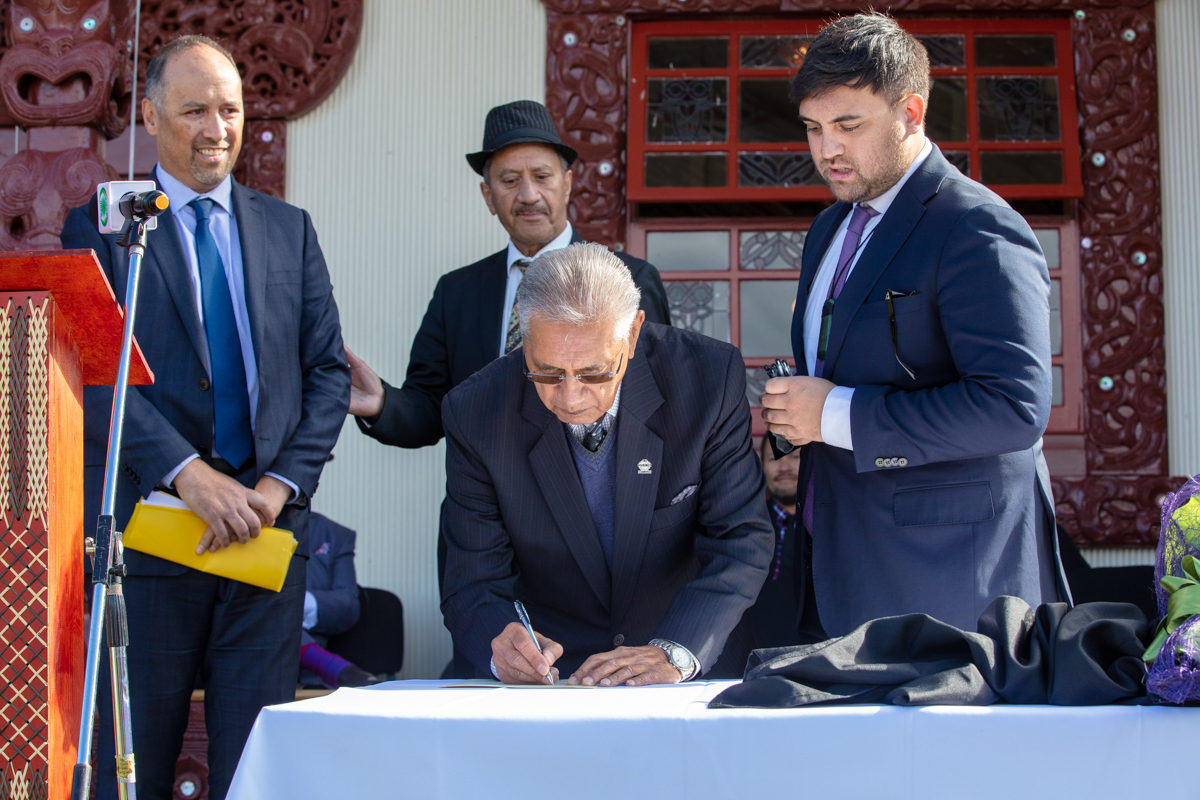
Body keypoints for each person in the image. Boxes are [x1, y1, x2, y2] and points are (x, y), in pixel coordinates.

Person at [61, 35, 349, 800]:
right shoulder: (102, 226)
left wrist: (277, 486)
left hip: (264, 537)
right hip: (151, 541)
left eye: (231, 109)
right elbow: (91, 373)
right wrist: (189, 475)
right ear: (151, 116)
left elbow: (327, 373)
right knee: (134, 769)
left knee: (256, 772)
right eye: (194, 111)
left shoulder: (289, 229)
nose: (216, 128)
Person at [759, 12, 1067, 640]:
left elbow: (1013, 407)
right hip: (834, 559)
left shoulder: (976, 225)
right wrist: (799, 409)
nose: (827, 150)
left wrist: (837, 414)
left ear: (913, 111)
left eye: (849, 125)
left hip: (950, 583)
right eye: (814, 129)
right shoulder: (827, 229)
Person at [346, 100, 671, 676]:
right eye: (509, 180)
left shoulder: (629, 281)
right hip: (489, 540)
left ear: (569, 183)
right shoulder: (458, 293)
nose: (528, 194)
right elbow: (430, 412)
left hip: (597, 541)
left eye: (542, 176)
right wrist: (380, 404)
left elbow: (654, 410)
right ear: (487, 196)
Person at [441, 242, 772, 686]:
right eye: (547, 373)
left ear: (633, 334)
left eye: (595, 373)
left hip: (687, 666)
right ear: (523, 334)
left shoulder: (706, 381)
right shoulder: (475, 412)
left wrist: (675, 652)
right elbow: (472, 578)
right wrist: (501, 647)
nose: (570, 396)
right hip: (558, 680)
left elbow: (741, 540)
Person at [298, 512, 377, 688]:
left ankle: (323, 663)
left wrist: (299, 604)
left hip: (311, 681)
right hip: (249, 664)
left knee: (274, 610)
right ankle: (332, 667)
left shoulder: (333, 534)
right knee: (257, 607)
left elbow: (347, 606)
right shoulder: (236, 523)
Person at [746, 434, 811, 648]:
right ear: (762, 465)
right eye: (774, 459)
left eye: (794, 457)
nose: (784, 468)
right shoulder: (744, 528)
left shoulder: (831, 527)